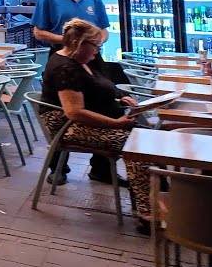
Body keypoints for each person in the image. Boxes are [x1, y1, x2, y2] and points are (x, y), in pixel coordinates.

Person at [39, 19, 152, 234]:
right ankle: (147, 212)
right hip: (68, 127)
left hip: (83, 120)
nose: (99, 49)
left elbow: (99, 86)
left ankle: (155, 196)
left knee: (147, 138)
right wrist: (116, 123)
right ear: (79, 43)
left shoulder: (84, 60)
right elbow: (75, 112)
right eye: (96, 45)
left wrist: (120, 97)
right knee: (136, 146)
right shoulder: (64, 68)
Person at [32, 0, 114, 183]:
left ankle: (101, 168)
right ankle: (57, 169)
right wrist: (69, 42)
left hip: (92, 59)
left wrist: (95, 42)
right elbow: (38, 32)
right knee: (59, 109)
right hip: (62, 59)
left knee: (102, 106)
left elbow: (104, 29)